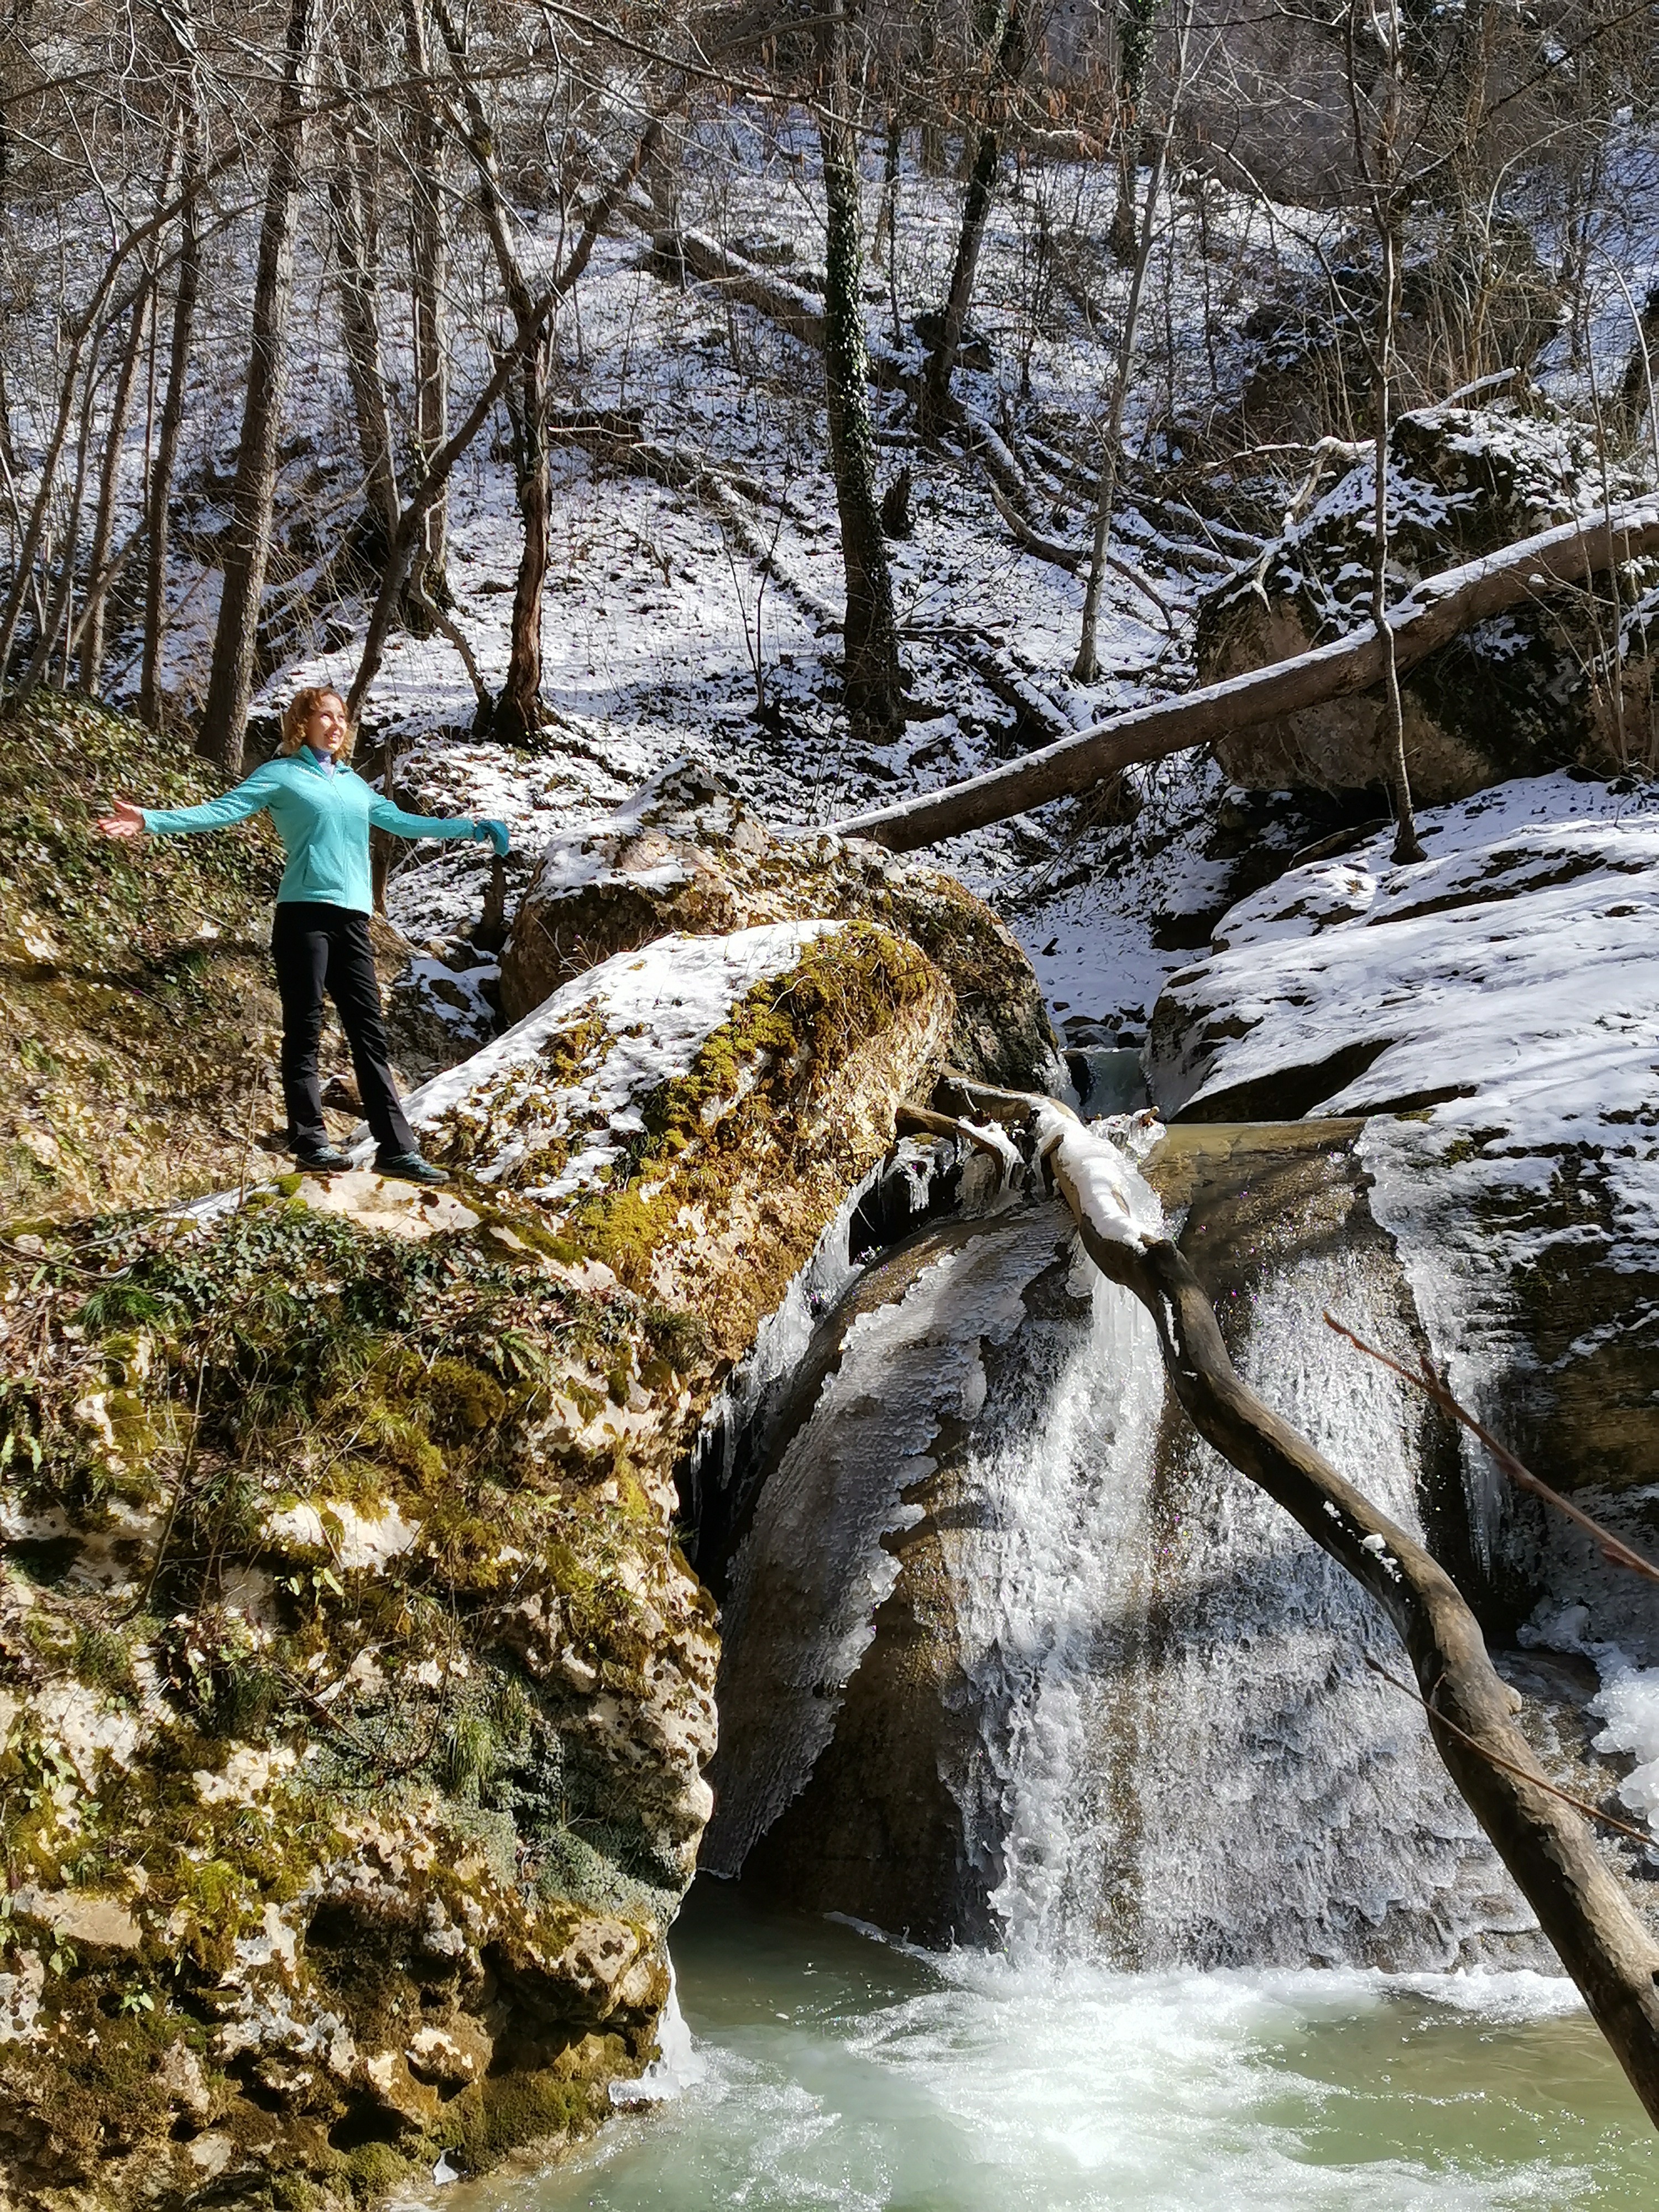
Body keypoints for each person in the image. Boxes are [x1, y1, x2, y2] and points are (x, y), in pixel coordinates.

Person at [97, 685, 509, 1184]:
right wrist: (152, 820)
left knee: (368, 1032)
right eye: (325, 717)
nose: (336, 726)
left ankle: (397, 1149)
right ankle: (311, 1141)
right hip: (303, 917)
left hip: (354, 920)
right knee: (306, 1028)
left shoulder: (355, 785)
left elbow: (403, 822)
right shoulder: (280, 775)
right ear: (302, 724)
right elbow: (221, 811)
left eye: (342, 718)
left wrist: (472, 828)